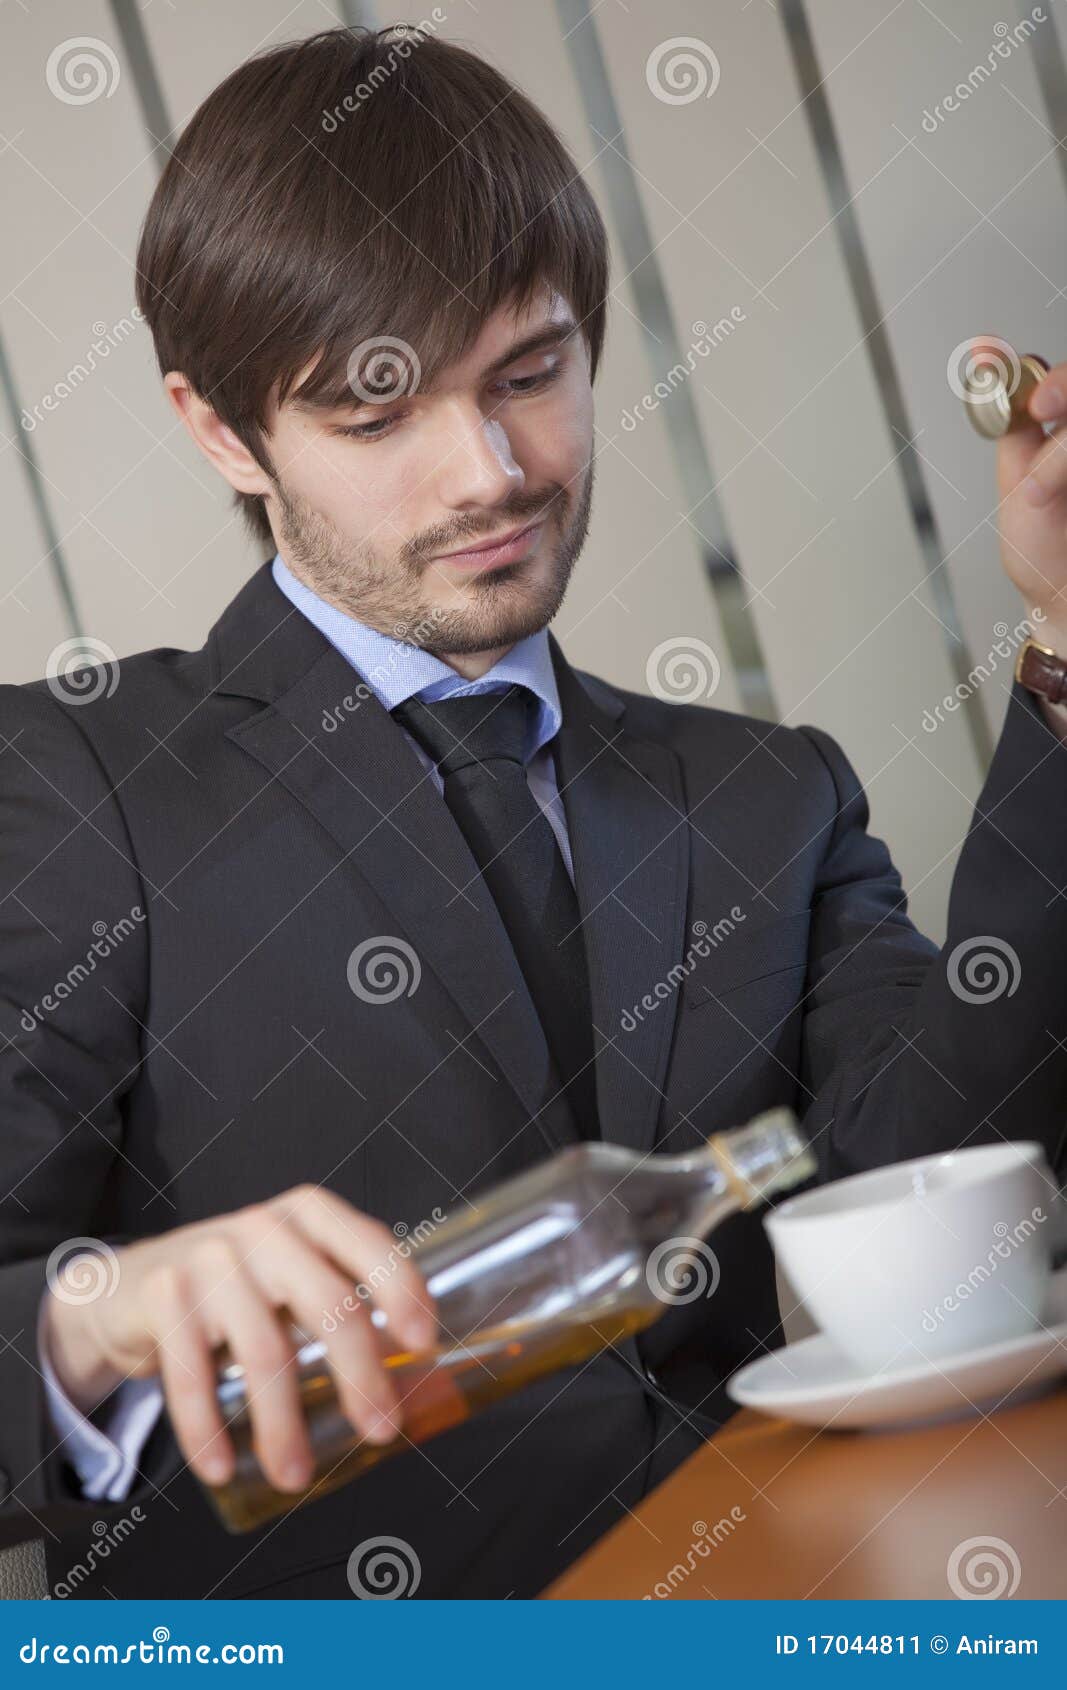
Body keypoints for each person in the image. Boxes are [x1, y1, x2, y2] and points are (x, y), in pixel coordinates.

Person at [1, 25, 1065, 1601]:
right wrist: (92, 1312)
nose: (489, 471)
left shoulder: (770, 795)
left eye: (530, 374)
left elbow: (960, 1174)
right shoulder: (70, 780)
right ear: (222, 430)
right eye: (377, 419)